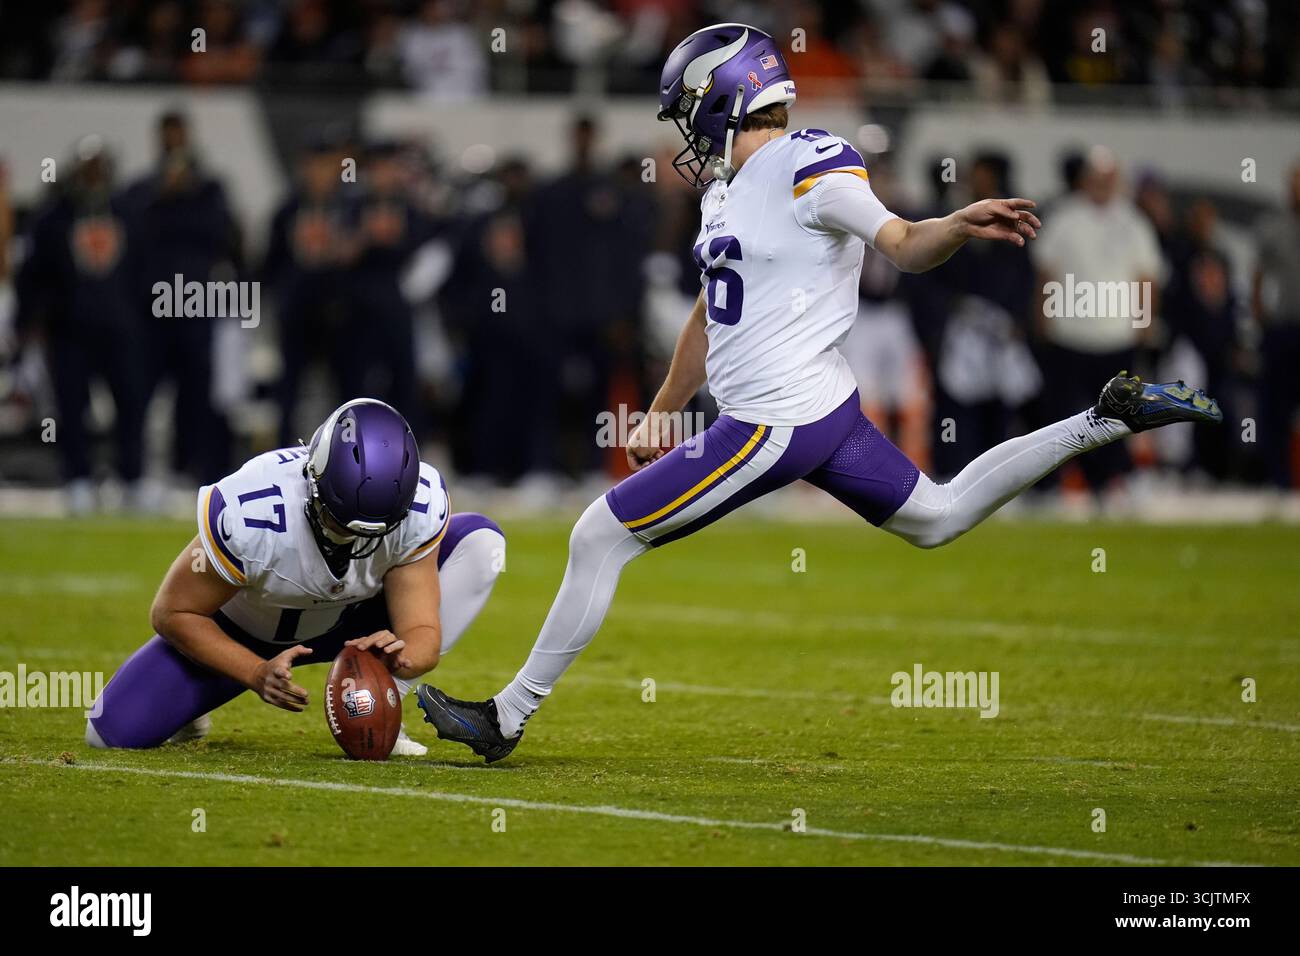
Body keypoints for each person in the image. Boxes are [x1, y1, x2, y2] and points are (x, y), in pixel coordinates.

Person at [415, 24, 1222, 763]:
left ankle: (507, 717)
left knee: (598, 535)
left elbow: (901, 243)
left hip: (773, 422)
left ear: (723, 103)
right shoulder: (724, 189)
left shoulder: (811, 166)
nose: (685, 135)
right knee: (939, 518)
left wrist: (954, 223)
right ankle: (1103, 417)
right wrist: (663, 405)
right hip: (822, 410)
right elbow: (710, 308)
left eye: (688, 113)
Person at [87, 399, 505, 757]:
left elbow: (421, 629)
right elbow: (172, 611)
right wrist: (253, 671)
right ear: (315, 482)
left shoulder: (417, 506)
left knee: (482, 544)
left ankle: (381, 703)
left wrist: (406, 657)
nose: (357, 540)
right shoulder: (252, 512)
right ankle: (196, 701)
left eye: (374, 530)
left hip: (350, 621)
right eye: (343, 523)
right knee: (108, 733)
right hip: (247, 632)